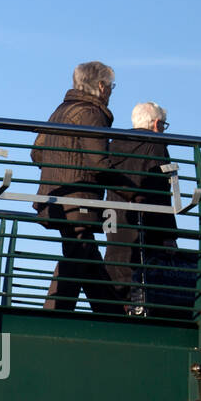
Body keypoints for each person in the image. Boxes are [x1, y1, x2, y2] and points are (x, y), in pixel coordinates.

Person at [31, 61, 125, 314]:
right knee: (79, 252)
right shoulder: (92, 114)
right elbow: (99, 163)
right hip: (79, 199)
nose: (112, 92)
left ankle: (112, 314)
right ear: (102, 87)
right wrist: (128, 184)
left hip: (55, 198)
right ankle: (54, 315)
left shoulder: (60, 111)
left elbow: (37, 152)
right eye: (112, 86)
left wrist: (58, 169)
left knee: (83, 252)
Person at [105, 102, 188, 316]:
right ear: (157, 124)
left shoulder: (114, 144)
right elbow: (159, 192)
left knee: (118, 288)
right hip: (147, 230)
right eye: (164, 126)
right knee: (147, 288)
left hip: (115, 226)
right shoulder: (156, 145)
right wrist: (169, 235)